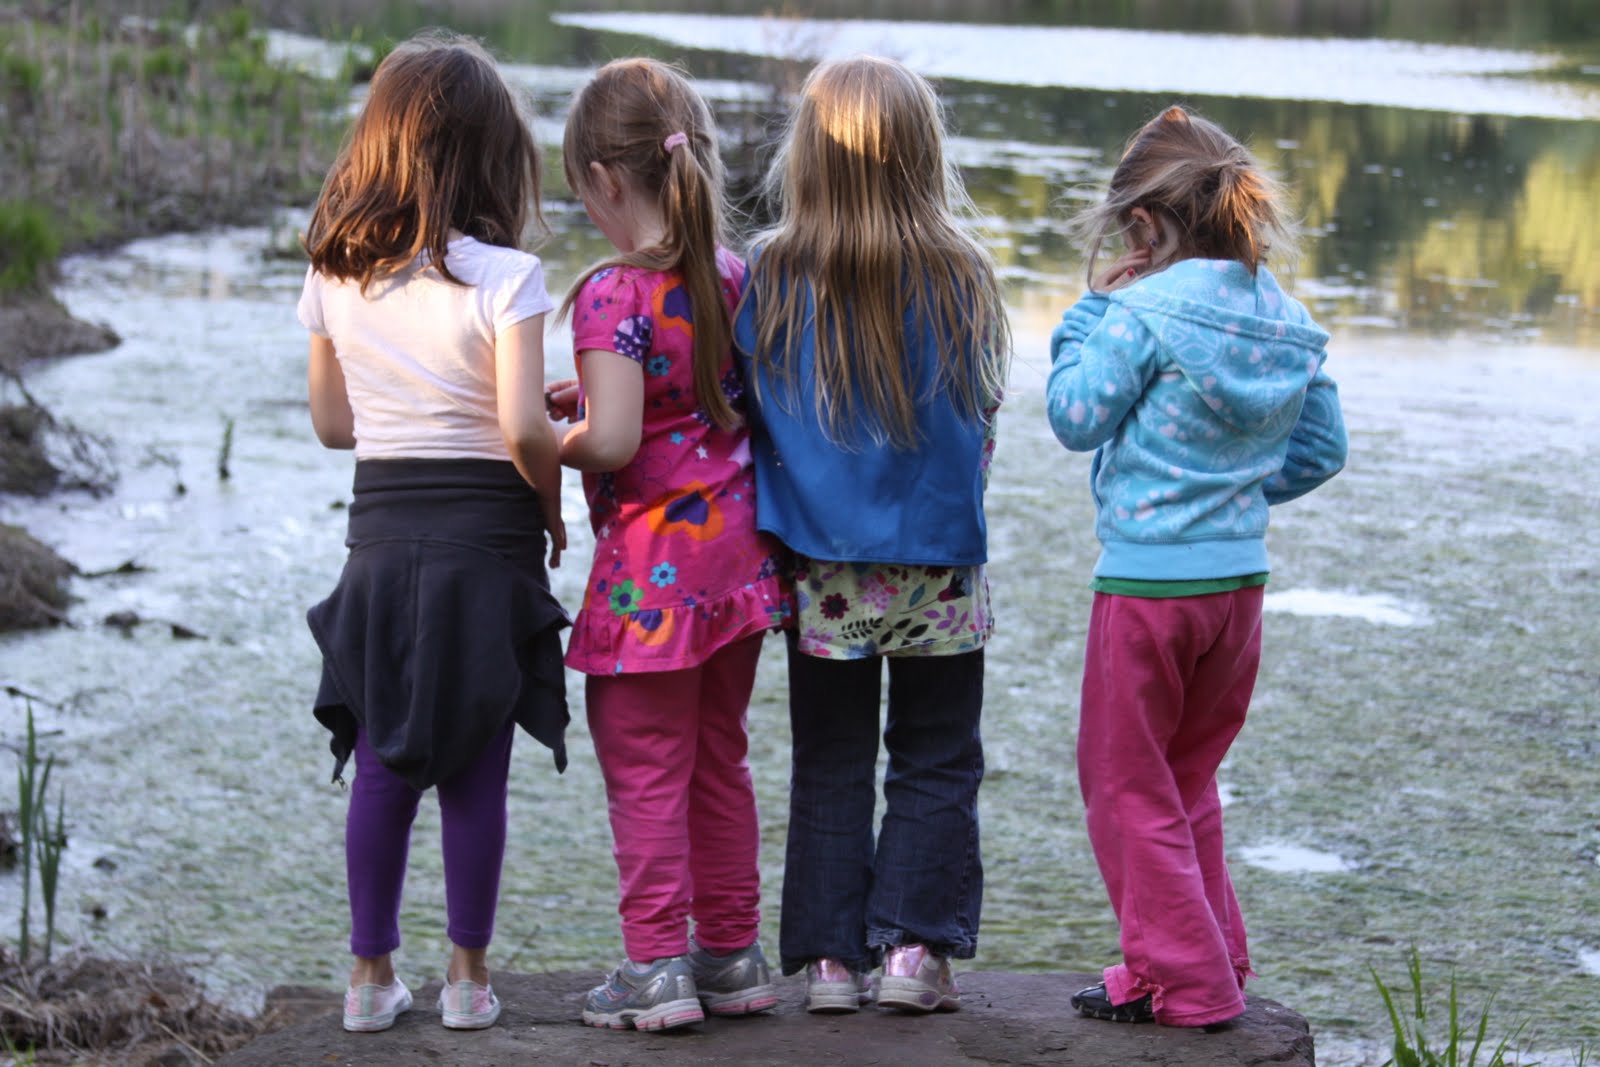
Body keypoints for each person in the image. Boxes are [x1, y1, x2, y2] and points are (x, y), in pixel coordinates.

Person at [1046, 105, 1348, 1027]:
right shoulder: (1285, 317)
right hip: (1238, 594)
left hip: (1147, 588)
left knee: (1123, 783)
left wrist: (1087, 316)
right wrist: (1238, 495)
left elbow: (1074, 415)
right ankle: (1202, 954)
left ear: (1142, 226)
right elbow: (1323, 445)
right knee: (1183, 781)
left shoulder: (1139, 311)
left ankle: (1194, 982)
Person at [297, 32, 570, 1035]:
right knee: (474, 766)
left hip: (378, 543)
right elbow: (523, 429)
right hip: (484, 548)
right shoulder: (509, 276)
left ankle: (369, 977)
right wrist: (550, 498)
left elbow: (335, 426)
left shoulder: (333, 272)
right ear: (493, 155)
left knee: (380, 760)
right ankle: (468, 978)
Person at [733, 55, 1011, 1016]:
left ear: (807, 156)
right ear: (924, 158)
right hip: (937, 557)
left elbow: (747, 410)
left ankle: (828, 964)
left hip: (823, 566)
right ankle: (913, 953)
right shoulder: (962, 272)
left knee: (831, 754)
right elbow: (983, 409)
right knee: (936, 753)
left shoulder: (771, 269)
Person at [545, 57, 789, 1033]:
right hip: (735, 570)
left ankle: (653, 965)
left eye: (581, 194)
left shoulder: (611, 292)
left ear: (605, 180)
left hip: (649, 582)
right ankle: (730, 953)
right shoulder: (731, 273)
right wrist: (602, 399)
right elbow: (697, 399)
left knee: (643, 762)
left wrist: (543, 435)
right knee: (716, 756)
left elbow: (612, 442)